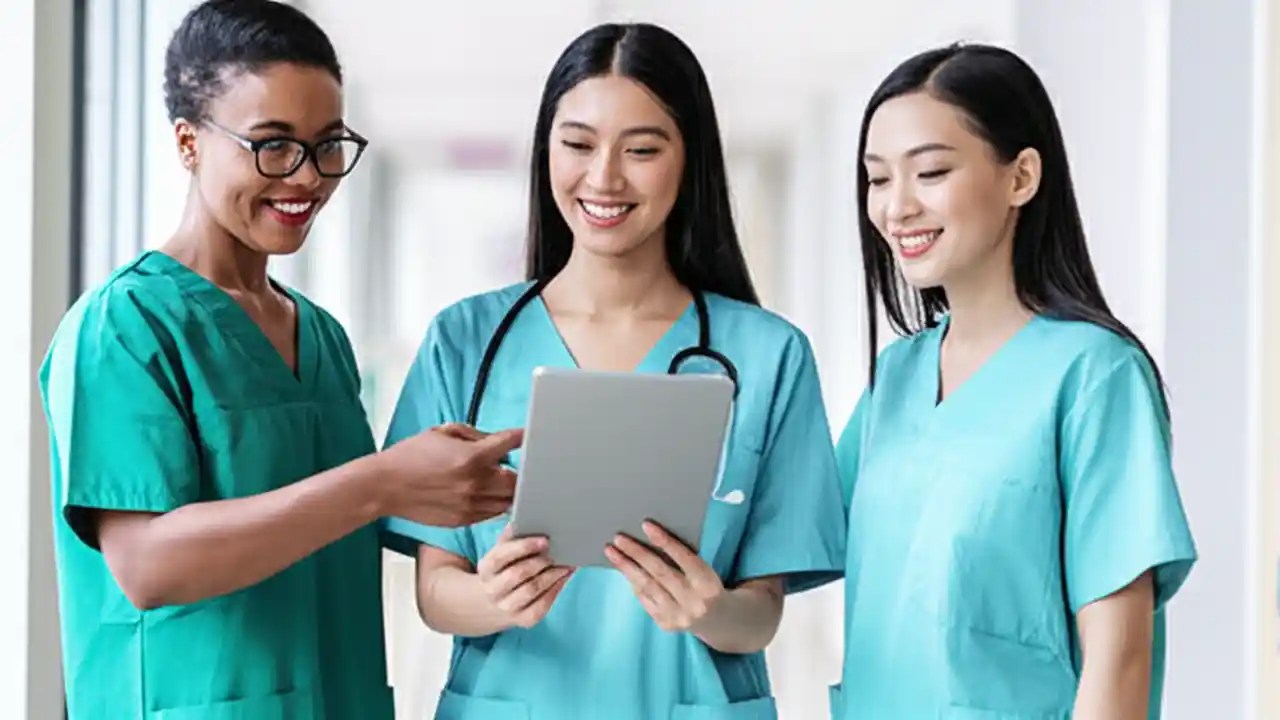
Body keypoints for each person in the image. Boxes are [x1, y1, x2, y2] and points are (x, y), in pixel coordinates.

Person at [38, 2, 521, 718]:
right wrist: (382, 483)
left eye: (328, 145)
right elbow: (148, 565)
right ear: (188, 142)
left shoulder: (320, 336)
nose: (306, 178)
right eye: (272, 145)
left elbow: (343, 525)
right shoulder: (124, 327)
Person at [381, 22, 845, 720]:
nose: (604, 177)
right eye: (576, 144)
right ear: (547, 152)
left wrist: (708, 608)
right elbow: (434, 592)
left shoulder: (767, 354)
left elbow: (762, 615)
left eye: (643, 150)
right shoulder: (464, 340)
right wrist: (493, 597)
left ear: (689, 161)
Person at [830, 43, 1198, 719]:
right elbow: (794, 535)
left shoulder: (1094, 375)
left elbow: (1119, 659)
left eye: (931, 172)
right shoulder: (897, 377)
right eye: (878, 180)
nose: (896, 207)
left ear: (1022, 177)